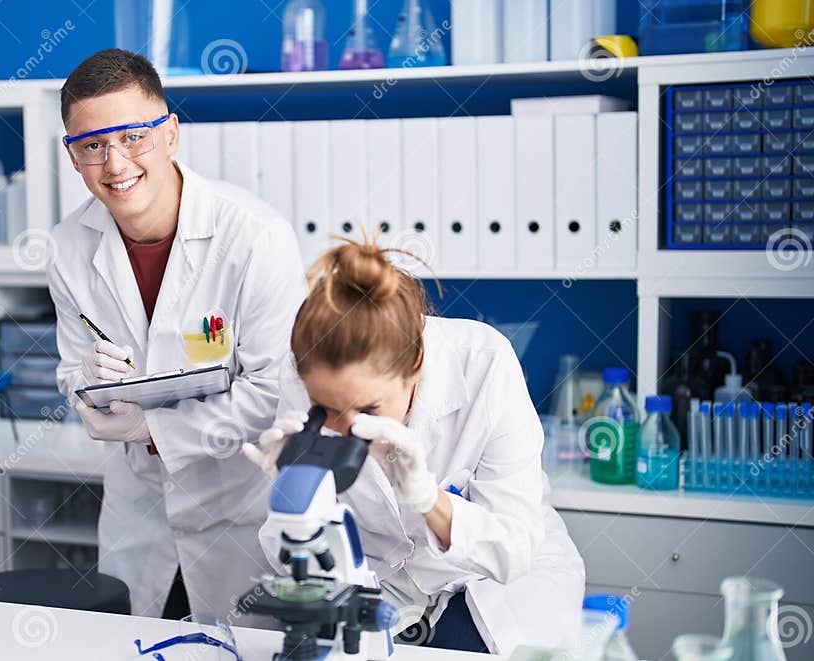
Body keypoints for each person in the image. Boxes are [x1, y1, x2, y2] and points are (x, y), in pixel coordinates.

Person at [47, 48, 306, 619]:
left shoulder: (256, 238)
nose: (115, 164)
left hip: (239, 517)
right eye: (93, 145)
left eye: (133, 136)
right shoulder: (68, 247)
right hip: (137, 512)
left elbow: (278, 396)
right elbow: (70, 369)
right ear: (73, 156)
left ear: (170, 134)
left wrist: (155, 428)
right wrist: (84, 388)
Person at [244, 238, 585, 655]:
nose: (347, 426)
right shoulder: (307, 374)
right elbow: (293, 555)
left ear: (416, 363)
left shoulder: (485, 363)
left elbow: (513, 549)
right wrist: (292, 495)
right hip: (381, 582)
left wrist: (427, 499)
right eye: (326, 409)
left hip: (493, 584)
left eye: (368, 407)